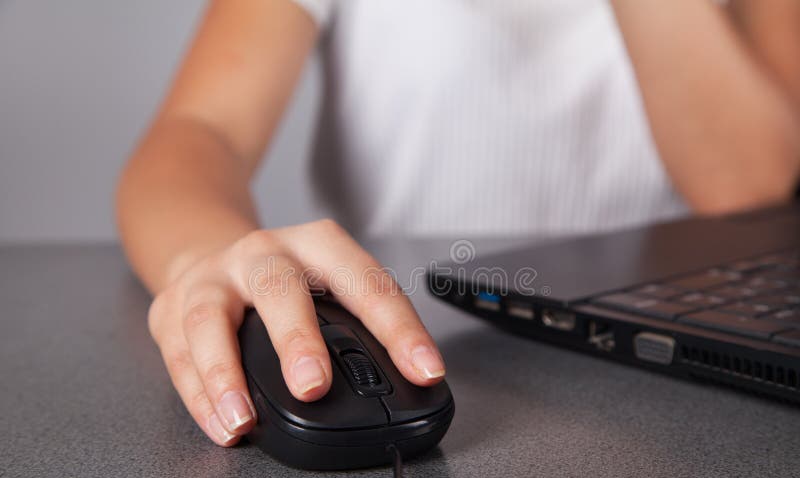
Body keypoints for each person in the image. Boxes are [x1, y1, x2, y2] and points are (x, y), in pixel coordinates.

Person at [116, 0, 800, 446]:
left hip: (675, 396)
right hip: (409, 328)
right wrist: (203, 260)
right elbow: (199, 133)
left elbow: (747, 186)